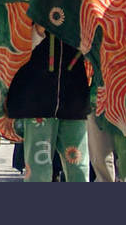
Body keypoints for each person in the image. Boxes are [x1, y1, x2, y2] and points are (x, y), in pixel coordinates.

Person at [6, 24, 91, 182]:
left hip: (74, 98)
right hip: (36, 98)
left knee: (78, 168)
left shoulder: (82, 6)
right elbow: (15, 48)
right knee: (38, 170)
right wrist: (37, 30)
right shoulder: (30, 5)